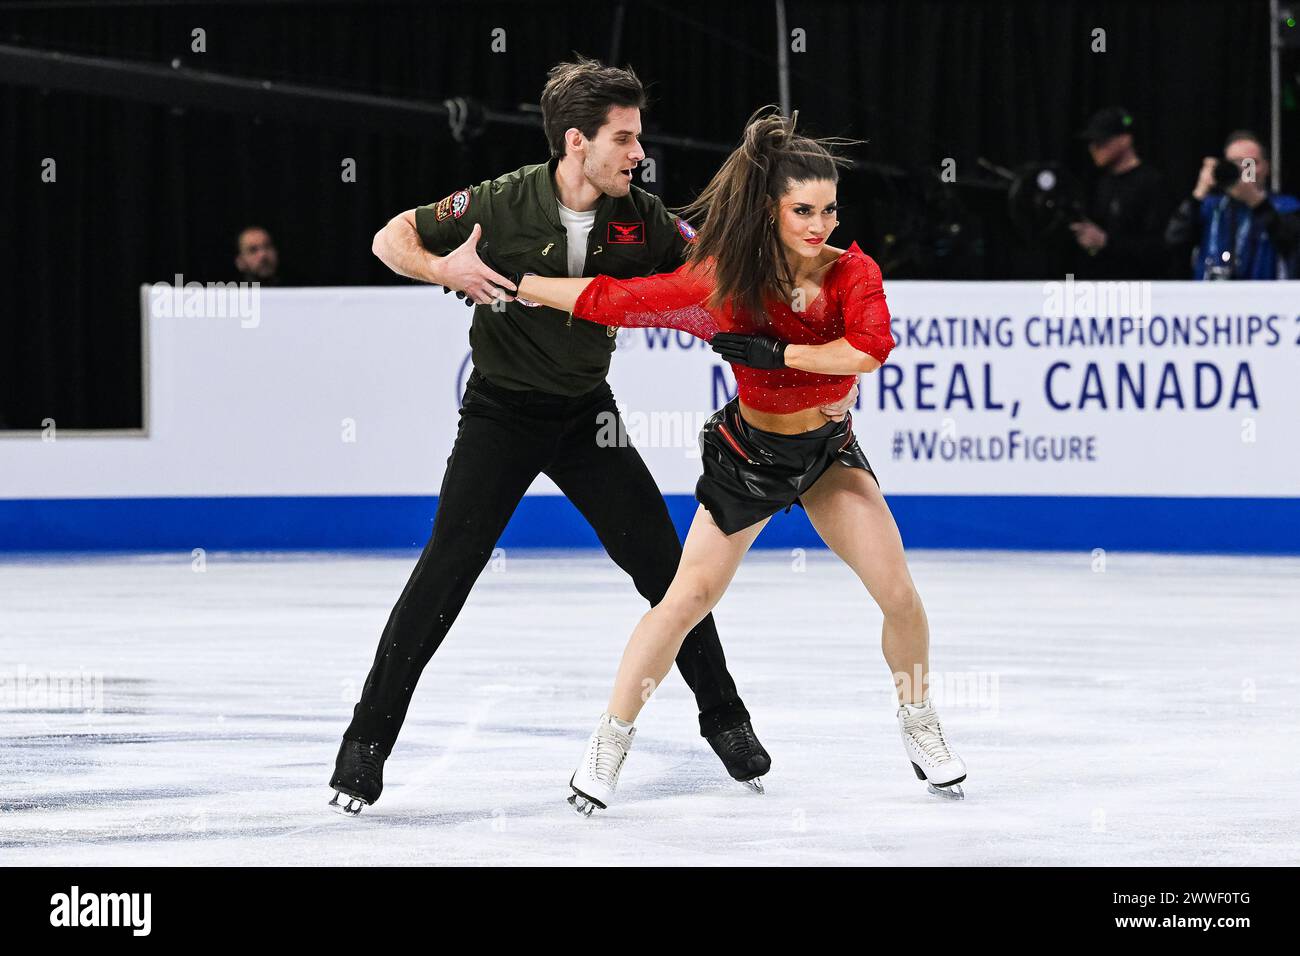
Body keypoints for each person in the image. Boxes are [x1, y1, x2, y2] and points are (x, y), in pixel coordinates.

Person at [329, 60, 854, 815]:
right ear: (577, 142)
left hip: (587, 415)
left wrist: (809, 329)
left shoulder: (642, 216)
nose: (639, 152)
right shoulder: (502, 201)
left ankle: (728, 722)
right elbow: (391, 236)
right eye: (625, 138)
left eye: (638, 137)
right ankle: (365, 746)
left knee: (667, 571)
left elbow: (714, 274)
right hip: (501, 415)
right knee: (446, 568)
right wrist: (444, 265)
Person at [487, 108, 967, 815]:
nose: (819, 224)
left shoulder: (853, 272)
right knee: (685, 600)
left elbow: (867, 350)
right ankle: (610, 738)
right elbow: (612, 300)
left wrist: (780, 354)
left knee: (899, 593)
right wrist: (514, 281)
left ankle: (919, 720)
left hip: (828, 455)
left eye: (829, 209)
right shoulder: (723, 281)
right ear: (770, 209)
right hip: (750, 458)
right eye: (802, 209)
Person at [1164, 129, 1300, 279]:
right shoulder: (1210, 206)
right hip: (1211, 296)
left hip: (1264, 295)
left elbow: (1292, 242)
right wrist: (1199, 192)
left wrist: (1257, 202)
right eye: (1234, 164)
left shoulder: (1284, 205)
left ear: (1267, 167)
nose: (1243, 170)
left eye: (1250, 163)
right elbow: (1174, 240)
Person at [1068, 107, 1175, 279]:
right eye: (1091, 143)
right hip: (1103, 286)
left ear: (1125, 140)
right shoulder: (1102, 183)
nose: (1094, 148)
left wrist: (1105, 241)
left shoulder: (1152, 183)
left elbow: (1160, 246)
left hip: (1140, 290)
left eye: (1101, 142)